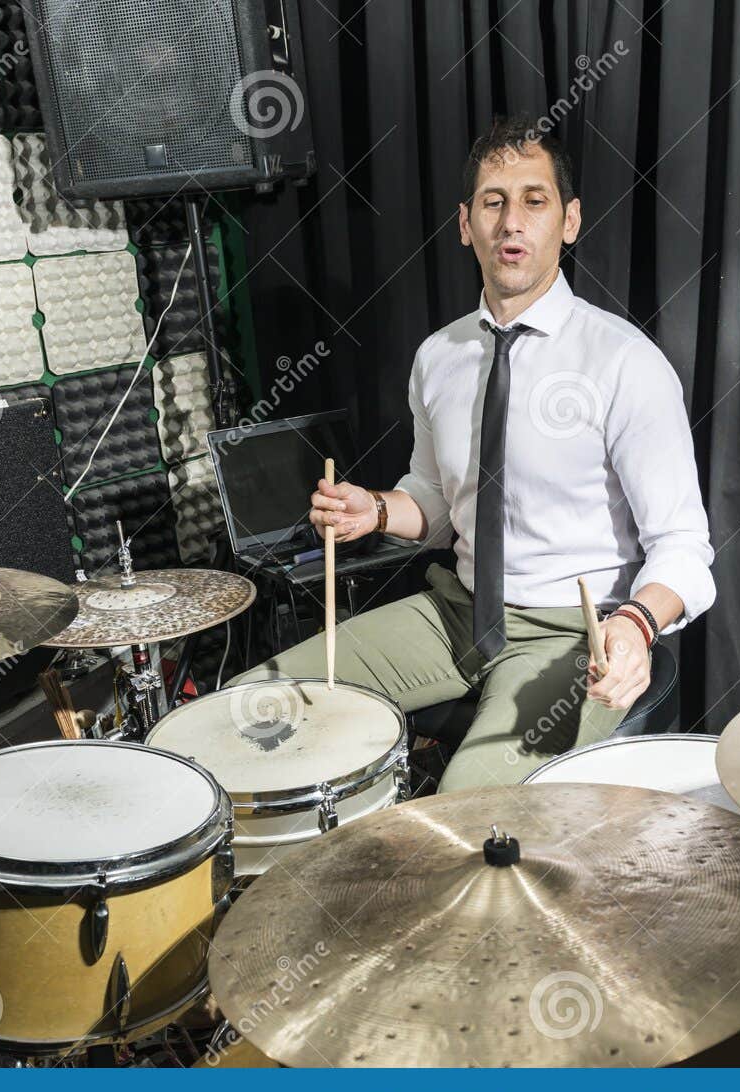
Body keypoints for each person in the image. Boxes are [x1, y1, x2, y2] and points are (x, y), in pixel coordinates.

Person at [235, 115, 714, 791]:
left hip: (573, 635)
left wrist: (635, 625)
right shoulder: (439, 358)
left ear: (569, 222)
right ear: (466, 224)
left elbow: (685, 547)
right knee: (248, 712)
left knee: (462, 824)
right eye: (493, 202)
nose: (511, 222)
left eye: (533, 201)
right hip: (454, 612)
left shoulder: (625, 363)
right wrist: (371, 510)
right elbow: (433, 505)